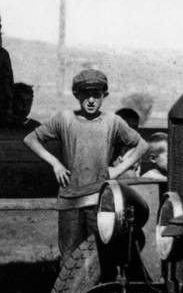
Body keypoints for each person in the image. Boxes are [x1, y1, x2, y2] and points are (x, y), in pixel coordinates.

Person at [25, 68, 150, 265]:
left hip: (99, 199)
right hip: (70, 199)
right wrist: (56, 164)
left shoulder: (113, 122)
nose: (91, 100)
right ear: (76, 95)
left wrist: (116, 171)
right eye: (85, 94)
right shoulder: (64, 119)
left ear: (104, 96)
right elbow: (31, 139)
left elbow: (142, 145)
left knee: (102, 252)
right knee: (70, 256)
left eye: (96, 95)